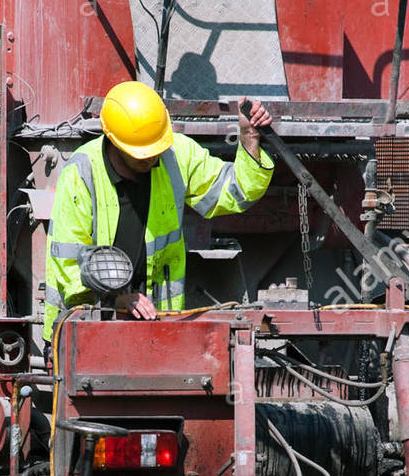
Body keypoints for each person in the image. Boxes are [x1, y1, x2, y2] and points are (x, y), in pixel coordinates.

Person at [43, 81, 274, 346]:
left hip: (158, 329)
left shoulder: (174, 154)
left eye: (156, 149)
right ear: (115, 142)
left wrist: (249, 137)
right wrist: (116, 300)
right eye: (142, 153)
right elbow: (68, 262)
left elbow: (237, 191)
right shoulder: (81, 173)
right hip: (84, 331)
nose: (152, 157)